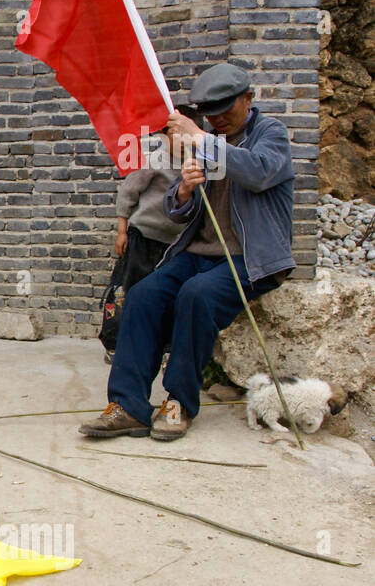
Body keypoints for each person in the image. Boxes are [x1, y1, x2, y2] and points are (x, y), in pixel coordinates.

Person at [80, 63, 294, 442]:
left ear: (248, 99)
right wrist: (183, 193)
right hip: (198, 252)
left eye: (226, 109)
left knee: (196, 295)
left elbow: (260, 172)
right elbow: (179, 208)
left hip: (250, 259)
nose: (218, 118)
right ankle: (128, 405)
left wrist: (201, 137)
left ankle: (179, 402)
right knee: (143, 295)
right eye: (210, 112)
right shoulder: (209, 137)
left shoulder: (269, 134)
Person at [98, 107, 201, 359]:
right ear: (164, 137)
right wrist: (122, 231)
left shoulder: (199, 165)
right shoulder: (154, 160)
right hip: (142, 238)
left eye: (186, 135)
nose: (181, 142)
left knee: (168, 294)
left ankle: (165, 347)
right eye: (174, 136)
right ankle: (115, 343)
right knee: (126, 290)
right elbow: (128, 193)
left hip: (176, 245)